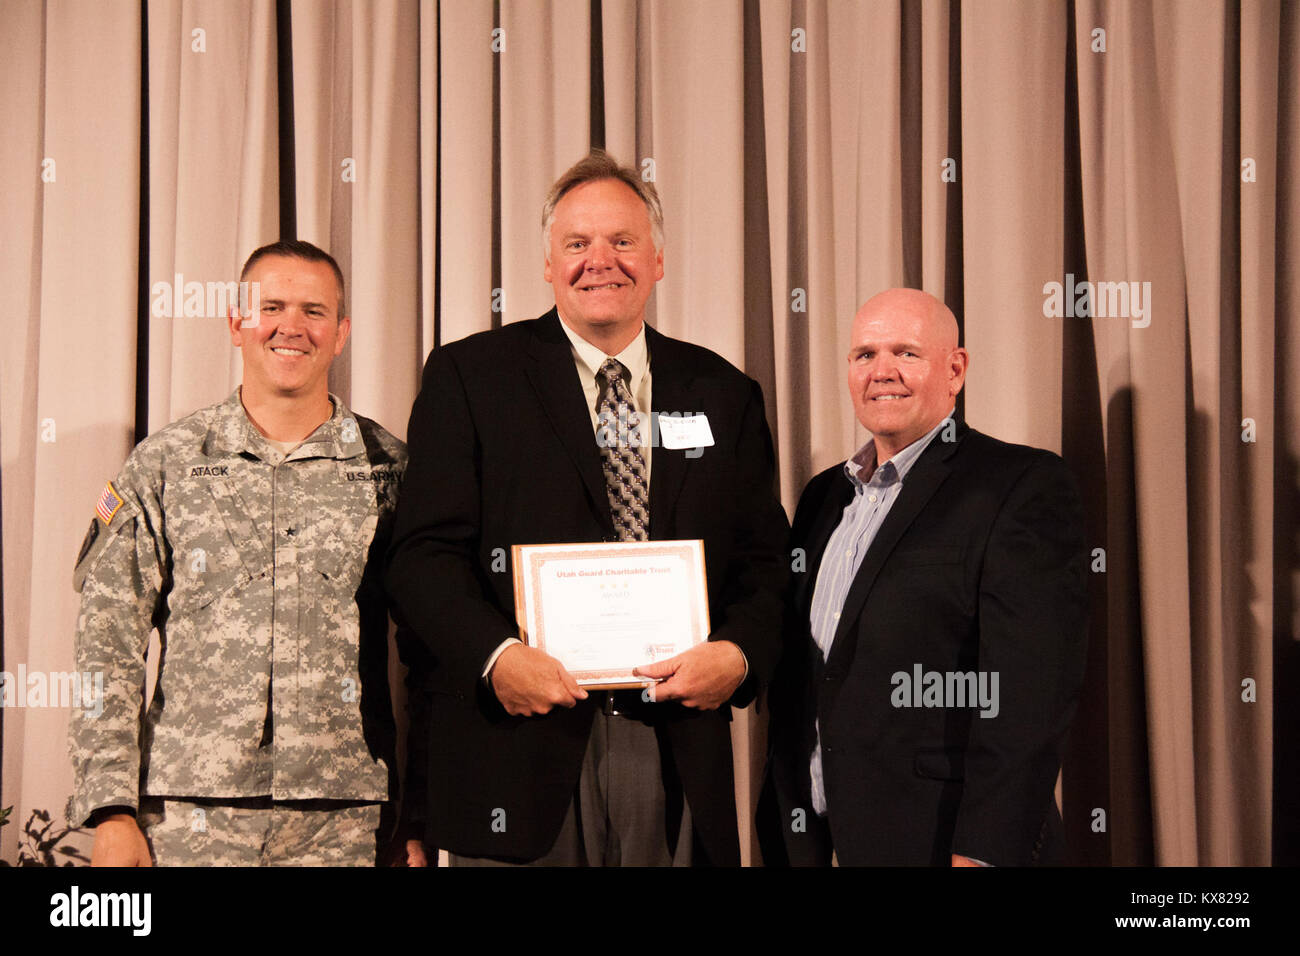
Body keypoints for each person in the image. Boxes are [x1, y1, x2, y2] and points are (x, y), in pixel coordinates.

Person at [386, 149, 789, 866]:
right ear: (548, 264)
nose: (599, 260)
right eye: (577, 244)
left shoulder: (724, 391)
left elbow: (765, 561)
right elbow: (422, 557)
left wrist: (737, 653)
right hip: (517, 741)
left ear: (658, 260)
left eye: (622, 241)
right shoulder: (471, 377)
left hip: (675, 747)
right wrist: (497, 656)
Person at [67, 240, 416, 866]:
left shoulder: (388, 469)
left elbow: (429, 651)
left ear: (341, 334)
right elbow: (108, 643)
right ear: (236, 323)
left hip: (345, 823)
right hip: (186, 816)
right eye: (271, 307)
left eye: (314, 311)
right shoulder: (166, 461)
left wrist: (420, 814)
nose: (291, 327)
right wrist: (112, 808)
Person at [760, 287, 1087, 866]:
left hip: (943, 844)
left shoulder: (1019, 485)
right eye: (864, 355)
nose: (881, 372)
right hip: (817, 839)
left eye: (905, 353)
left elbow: (1029, 697)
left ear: (955, 369)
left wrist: (983, 854)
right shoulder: (822, 498)